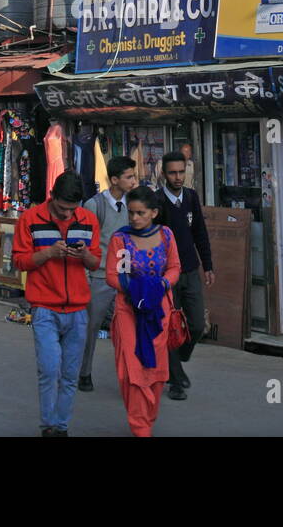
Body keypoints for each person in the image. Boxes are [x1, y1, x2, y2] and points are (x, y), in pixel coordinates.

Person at [12, 171, 100, 436]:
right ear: (51, 197)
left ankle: (60, 427)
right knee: (49, 370)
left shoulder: (88, 220)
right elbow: (19, 261)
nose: (66, 215)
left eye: (72, 210)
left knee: (70, 375)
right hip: (44, 308)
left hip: (78, 310)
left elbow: (96, 262)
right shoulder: (30, 219)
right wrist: (47, 253)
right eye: (62, 208)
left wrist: (84, 255)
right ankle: (49, 425)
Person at [105, 186, 181, 437]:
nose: (135, 219)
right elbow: (112, 275)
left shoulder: (167, 236)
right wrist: (135, 288)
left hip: (158, 311)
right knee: (132, 368)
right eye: (132, 213)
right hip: (128, 309)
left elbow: (174, 268)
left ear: (154, 213)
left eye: (141, 213)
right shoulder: (121, 239)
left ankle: (147, 418)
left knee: (157, 370)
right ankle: (140, 427)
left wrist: (159, 285)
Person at [153, 150, 213, 401]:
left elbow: (199, 231)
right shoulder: (156, 202)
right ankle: (176, 379)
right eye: (172, 172)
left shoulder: (190, 197)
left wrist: (208, 265)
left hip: (189, 270)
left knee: (197, 324)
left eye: (181, 172)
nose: (178, 177)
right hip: (166, 276)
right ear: (164, 174)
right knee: (171, 327)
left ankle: (180, 358)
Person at [79, 155, 138, 392]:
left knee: (131, 328)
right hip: (100, 277)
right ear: (114, 180)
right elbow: (85, 244)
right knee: (91, 327)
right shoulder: (94, 206)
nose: (134, 181)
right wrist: (85, 277)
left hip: (125, 277)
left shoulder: (132, 205)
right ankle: (84, 372)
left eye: (134, 176)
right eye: (129, 177)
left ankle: (134, 375)